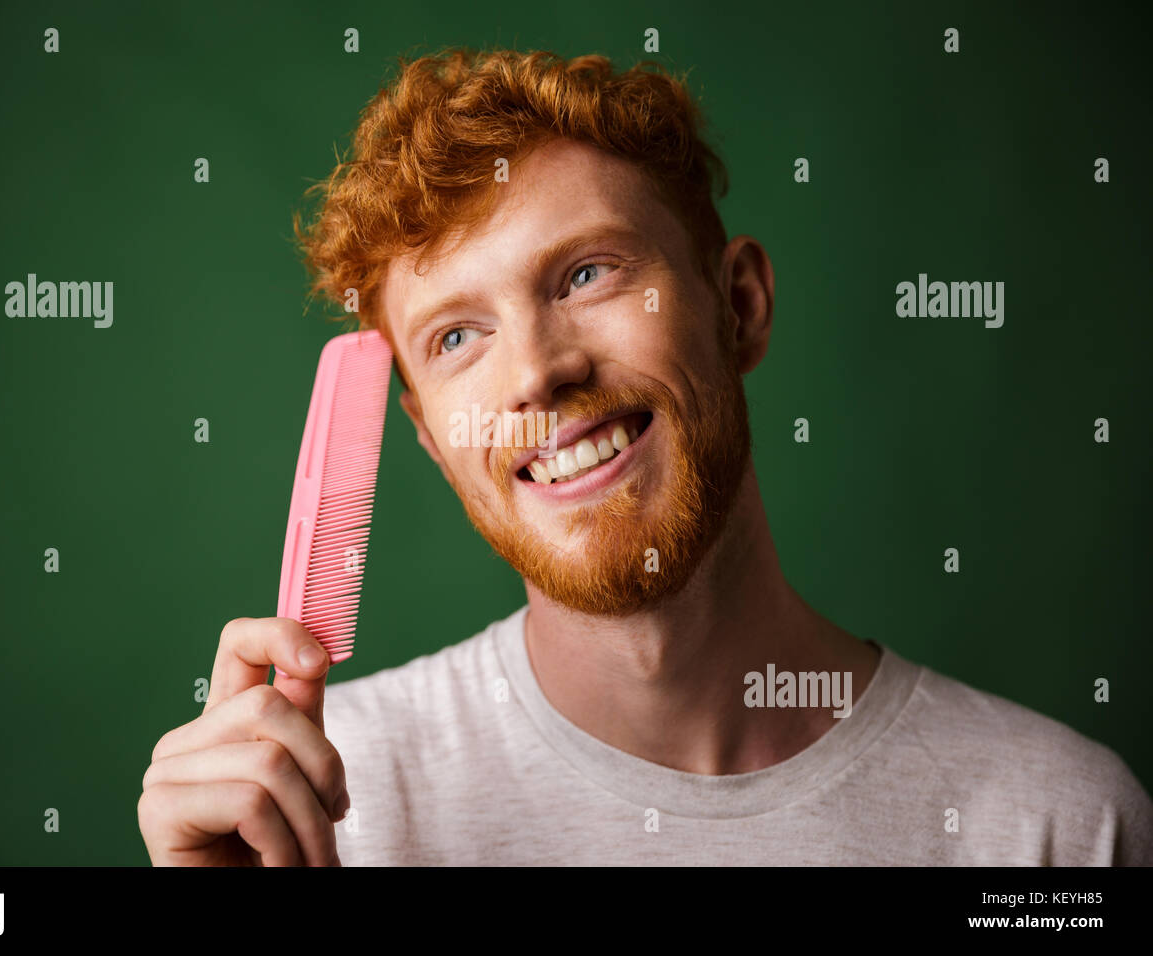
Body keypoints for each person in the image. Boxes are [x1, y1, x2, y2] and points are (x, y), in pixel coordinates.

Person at [137, 48, 1153, 866]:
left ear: (739, 304)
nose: (536, 371)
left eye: (585, 274)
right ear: (430, 439)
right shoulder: (310, 806)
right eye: (456, 336)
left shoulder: (1057, 830)